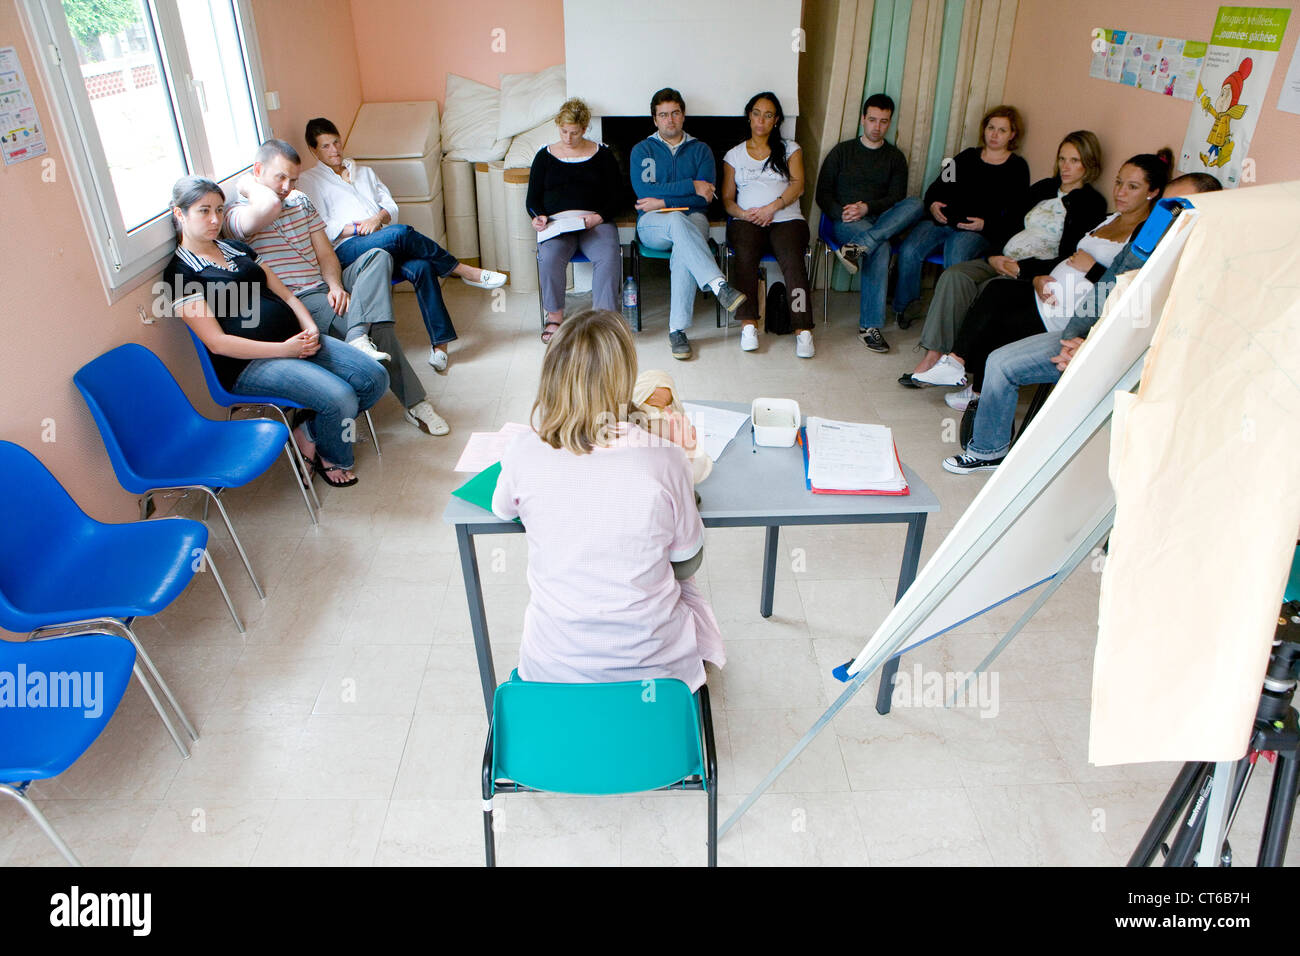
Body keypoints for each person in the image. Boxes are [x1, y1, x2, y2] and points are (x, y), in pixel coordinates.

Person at [491, 309, 724, 690]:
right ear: (624, 381)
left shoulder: (522, 451)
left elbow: (502, 510)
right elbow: (685, 563)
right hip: (655, 676)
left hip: (551, 675)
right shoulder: (664, 458)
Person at [943, 171, 1221, 475]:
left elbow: (1149, 325)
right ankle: (989, 451)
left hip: (1124, 354)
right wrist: (1074, 338)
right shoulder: (1148, 240)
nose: (1171, 211)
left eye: (1181, 205)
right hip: (1088, 338)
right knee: (1000, 361)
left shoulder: (1202, 262)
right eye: (1168, 203)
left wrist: (1091, 344)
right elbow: (1105, 290)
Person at [164, 176, 388, 487]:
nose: (215, 220)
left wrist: (309, 327)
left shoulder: (235, 248)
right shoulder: (180, 274)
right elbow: (217, 343)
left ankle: (308, 431)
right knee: (340, 398)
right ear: (180, 214)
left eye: (219, 209)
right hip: (249, 365)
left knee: (374, 378)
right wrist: (285, 350)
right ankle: (333, 457)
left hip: (298, 340)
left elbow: (286, 295)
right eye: (204, 211)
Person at [913, 150, 1175, 414]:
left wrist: (1092, 267)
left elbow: (1126, 285)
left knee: (1004, 320)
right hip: (1047, 291)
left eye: (1132, 187)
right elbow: (1067, 255)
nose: (1120, 191)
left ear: (1152, 192)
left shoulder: (1144, 235)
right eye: (1118, 182)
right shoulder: (1109, 218)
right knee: (997, 289)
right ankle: (956, 363)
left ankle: (978, 388)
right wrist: (1037, 278)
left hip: (1067, 313)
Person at [224, 139, 449, 437]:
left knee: (378, 257)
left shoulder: (301, 201)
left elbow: (325, 253)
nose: (287, 187)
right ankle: (416, 402)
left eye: (293, 179)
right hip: (298, 302)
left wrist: (334, 284)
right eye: (280, 177)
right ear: (258, 170)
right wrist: (248, 185)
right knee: (379, 329)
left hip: (325, 286)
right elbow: (270, 203)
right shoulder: (237, 214)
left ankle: (357, 334)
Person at [298, 117, 507, 373]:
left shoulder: (363, 171)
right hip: (348, 249)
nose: (334, 150)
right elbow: (322, 227)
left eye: (336, 142)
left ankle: (440, 348)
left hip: (382, 239)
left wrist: (376, 219)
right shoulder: (310, 181)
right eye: (325, 146)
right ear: (313, 150)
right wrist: (359, 227)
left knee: (421, 267)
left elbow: (390, 206)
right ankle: (462, 270)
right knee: (401, 234)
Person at [904, 131, 1106, 384]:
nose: (1066, 166)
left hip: (1032, 272)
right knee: (955, 276)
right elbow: (1008, 223)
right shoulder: (1044, 187)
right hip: (1004, 257)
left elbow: (1068, 254)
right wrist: (993, 257)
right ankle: (934, 355)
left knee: (991, 290)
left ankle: (963, 365)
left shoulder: (1091, 203)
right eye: (1062, 159)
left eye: (1074, 160)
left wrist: (1023, 268)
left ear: (1089, 164)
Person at [630, 88, 747, 360]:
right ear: (655, 120)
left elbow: (704, 199)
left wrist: (662, 201)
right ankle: (719, 285)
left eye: (675, 113)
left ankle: (677, 331)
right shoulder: (643, 150)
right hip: (652, 225)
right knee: (675, 219)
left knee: (683, 243)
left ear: (683, 116)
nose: (670, 120)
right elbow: (644, 192)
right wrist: (691, 186)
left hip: (693, 218)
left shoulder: (701, 150)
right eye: (663, 115)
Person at [891, 105, 1031, 325]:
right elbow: (937, 186)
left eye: (1002, 130)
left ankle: (945, 319)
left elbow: (1016, 215)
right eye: (991, 127)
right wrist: (933, 205)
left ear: (1012, 134)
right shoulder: (966, 156)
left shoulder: (1017, 168)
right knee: (909, 250)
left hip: (975, 230)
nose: (994, 134)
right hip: (942, 221)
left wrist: (985, 224)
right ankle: (905, 307)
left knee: (956, 258)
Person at [814, 93, 922, 353]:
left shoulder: (895, 157)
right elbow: (822, 194)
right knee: (881, 246)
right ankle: (869, 328)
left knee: (916, 203)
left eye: (884, 121)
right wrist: (843, 212)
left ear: (890, 122)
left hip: (881, 218)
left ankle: (859, 247)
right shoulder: (842, 151)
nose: (877, 126)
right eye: (872, 119)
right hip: (847, 222)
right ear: (863, 119)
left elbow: (896, 198)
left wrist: (867, 207)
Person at [722, 91, 815, 358]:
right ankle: (748, 325)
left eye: (768, 115)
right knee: (745, 256)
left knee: (792, 261)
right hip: (748, 221)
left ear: (776, 120)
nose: (761, 120)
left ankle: (803, 330)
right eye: (756, 113)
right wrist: (743, 213)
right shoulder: (734, 155)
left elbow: (799, 185)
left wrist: (772, 208)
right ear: (749, 117)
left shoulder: (790, 148)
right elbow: (727, 199)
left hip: (786, 219)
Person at [527, 98, 626, 344]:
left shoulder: (602, 154)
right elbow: (532, 198)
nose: (568, 138)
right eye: (563, 131)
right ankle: (554, 318)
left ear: (584, 129)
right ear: (558, 126)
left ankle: (605, 321)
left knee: (609, 254)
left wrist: (598, 217)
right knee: (548, 256)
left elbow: (618, 195)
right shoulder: (544, 156)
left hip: (596, 221)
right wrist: (537, 216)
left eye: (574, 132)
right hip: (558, 223)